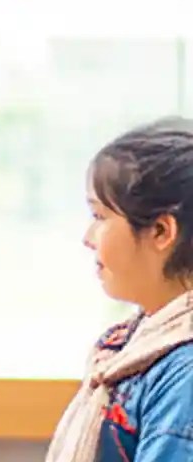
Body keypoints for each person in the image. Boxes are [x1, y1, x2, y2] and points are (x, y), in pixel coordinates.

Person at [47, 117, 193, 462]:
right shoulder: (131, 348)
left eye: (99, 217)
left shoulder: (184, 372)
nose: (87, 238)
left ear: (160, 231)